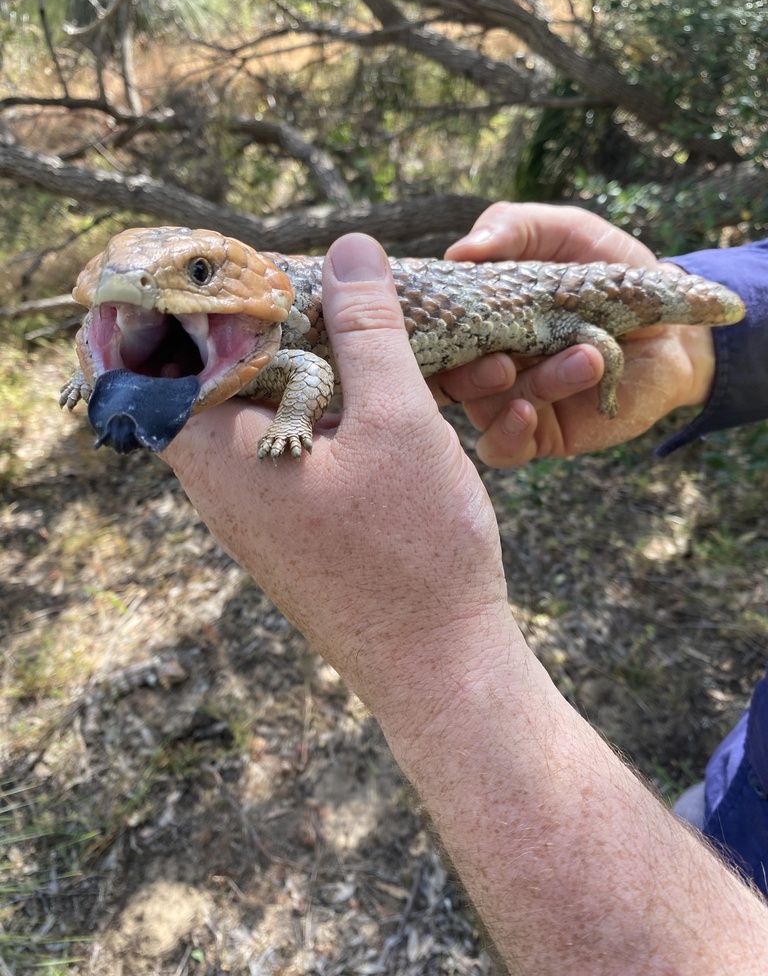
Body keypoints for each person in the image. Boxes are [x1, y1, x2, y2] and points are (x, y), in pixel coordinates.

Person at [163, 204, 768, 974]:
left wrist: (432, 644)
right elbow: (729, 307)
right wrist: (708, 342)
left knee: (578, 342)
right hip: (740, 799)